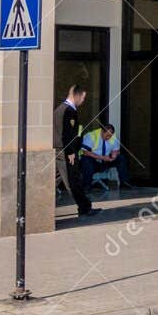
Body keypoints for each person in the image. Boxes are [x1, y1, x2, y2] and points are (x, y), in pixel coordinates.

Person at [54, 84, 95, 218]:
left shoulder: (64, 109)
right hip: (66, 151)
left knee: (56, 179)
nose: (83, 101)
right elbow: (66, 134)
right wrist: (71, 152)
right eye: (82, 98)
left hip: (62, 150)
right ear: (76, 95)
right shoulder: (68, 110)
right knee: (73, 181)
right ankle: (85, 207)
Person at [81, 122, 130, 190]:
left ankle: (124, 182)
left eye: (110, 136)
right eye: (107, 135)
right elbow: (85, 152)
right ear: (102, 131)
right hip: (94, 161)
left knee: (121, 158)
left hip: (106, 161)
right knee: (86, 159)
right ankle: (87, 185)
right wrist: (102, 157)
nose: (108, 137)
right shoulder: (92, 135)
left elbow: (116, 150)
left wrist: (114, 156)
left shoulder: (113, 136)